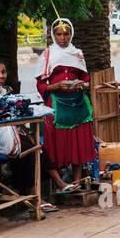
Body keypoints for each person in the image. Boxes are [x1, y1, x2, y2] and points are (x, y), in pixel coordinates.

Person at [36, 18, 97, 193]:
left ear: (71, 34)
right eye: (59, 34)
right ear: (53, 35)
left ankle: (77, 181)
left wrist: (82, 85)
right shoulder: (47, 55)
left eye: (66, 34)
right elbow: (40, 83)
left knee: (79, 140)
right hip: (56, 104)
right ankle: (60, 183)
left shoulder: (77, 53)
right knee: (54, 142)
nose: (63, 37)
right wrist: (54, 86)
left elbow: (86, 78)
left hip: (77, 104)